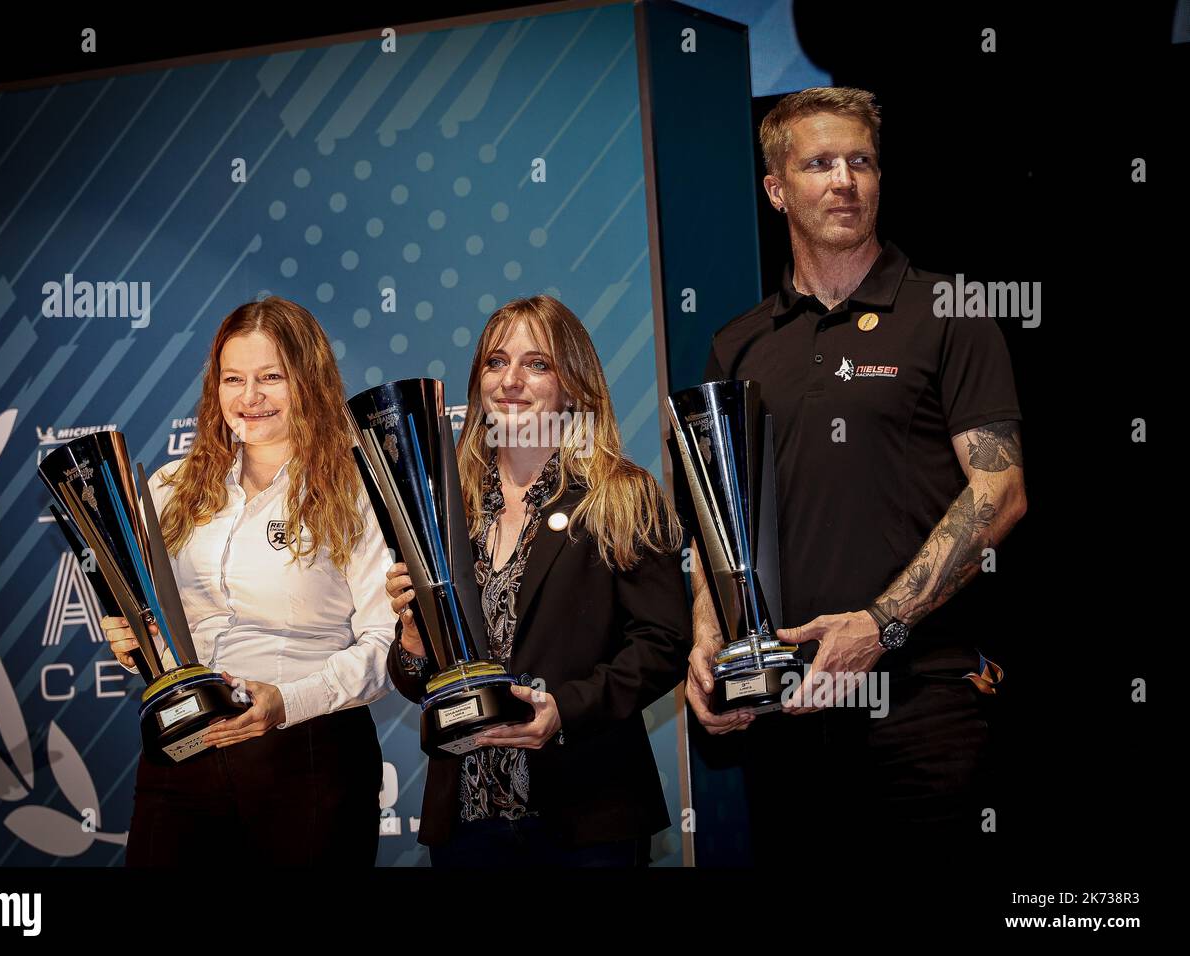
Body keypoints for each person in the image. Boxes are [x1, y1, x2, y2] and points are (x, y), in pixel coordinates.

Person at [686, 87, 1027, 839]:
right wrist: (707, 638)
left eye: (861, 161)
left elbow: (999, 492)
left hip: (925, 700)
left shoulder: (951, 308)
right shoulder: (738, 343)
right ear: (777, 190)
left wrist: (880, 625)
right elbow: (720, 522)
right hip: (788, 711)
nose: (845, 179)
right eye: (819, 163)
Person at [385, 294, 691, 866]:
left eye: (537, 364)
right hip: (468, 818)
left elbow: (664, 644)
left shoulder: (621, 495)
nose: (511, 381)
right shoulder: (447, 511)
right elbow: (416, 676)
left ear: (572, 384)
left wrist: (564, 711)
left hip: (587, 815)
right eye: (496, 362)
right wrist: (409, 648)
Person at [101, 295, 396, 866]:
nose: (249, 397)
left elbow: (387, 646)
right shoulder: (169, 487)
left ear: (308, 381)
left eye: (270, 377)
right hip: (184, 748)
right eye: (233, 378)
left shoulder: (360, 489)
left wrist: (285, 703)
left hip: (308, 753)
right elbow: (158, 624)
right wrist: (136, 645)